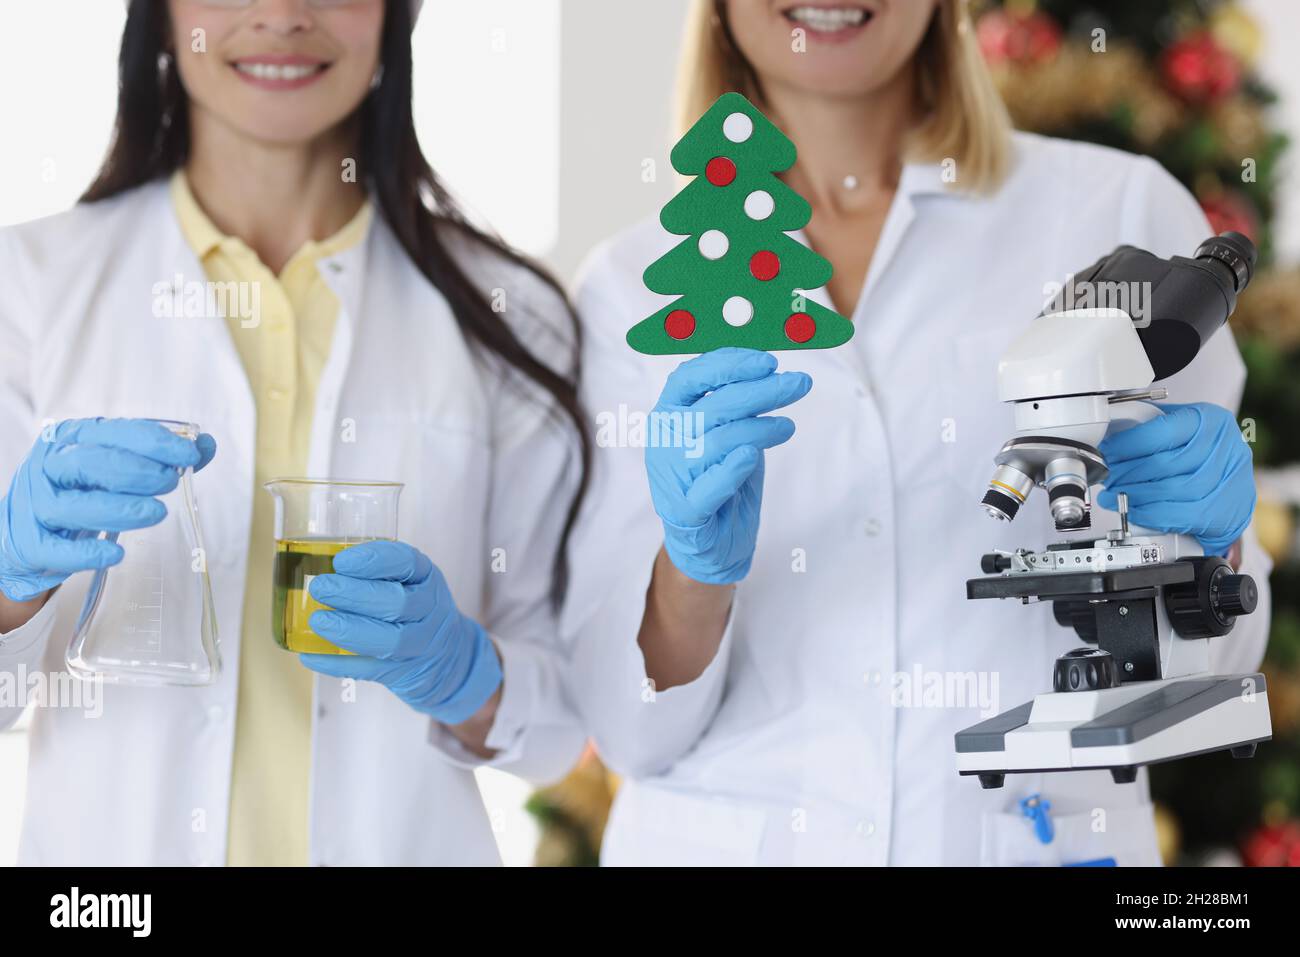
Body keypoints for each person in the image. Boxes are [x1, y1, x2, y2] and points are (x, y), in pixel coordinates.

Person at [565, 0, 1271, 865]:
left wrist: (1214, 544)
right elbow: (625, 729)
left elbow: (1216, 663)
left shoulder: (1118, 209)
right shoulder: (628, 289)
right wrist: (690, 575)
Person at [0, 0, 586, 865]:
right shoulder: (27, 287)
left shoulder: (512, 318)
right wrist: (12, 583)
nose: (280, 15)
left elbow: (560, 725)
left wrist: (461, 670)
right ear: (159, 17)